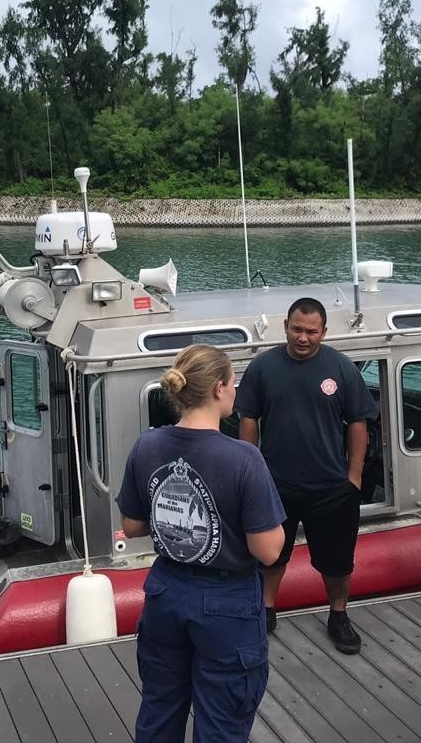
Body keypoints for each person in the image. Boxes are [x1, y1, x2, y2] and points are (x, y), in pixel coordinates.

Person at [116, 345, 285, 743]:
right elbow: (268, 551)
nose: (235, 391)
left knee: (160, 705)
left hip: (165, 592)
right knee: (222, 720)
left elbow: (132, 525)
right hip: (227, 602)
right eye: (233, 383)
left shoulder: (147, 445)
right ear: (219, 389)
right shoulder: (243, 458)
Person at [234, 298, 376, 654]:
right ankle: (266, 610)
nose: (303, 337)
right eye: (297, 329)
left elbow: (358, 423)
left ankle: (339, 615)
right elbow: (248, 420)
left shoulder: (342, 368)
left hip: (332, 488)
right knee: (271, 557)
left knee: (338, 563)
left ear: (323, 332)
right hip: (275, 486)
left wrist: (354, 477)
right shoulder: (263, 366)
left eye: (311, 331)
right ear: (285, 326)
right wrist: (250, 473)